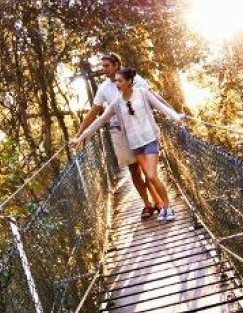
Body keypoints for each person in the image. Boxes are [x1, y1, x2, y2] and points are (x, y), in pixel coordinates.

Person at [71, 67, 184, 221]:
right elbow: (100, 120)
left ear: (129, 81)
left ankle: (167, 207)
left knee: (151, 175)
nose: (116, 83)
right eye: (116, 81)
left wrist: (176, 118)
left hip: (150, 139)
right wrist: (80, 137)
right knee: (150, 177)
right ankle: (164, 208)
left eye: (120, 80)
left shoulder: (143, 93)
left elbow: (160, 107)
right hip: (135, 145)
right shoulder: (117, 103)